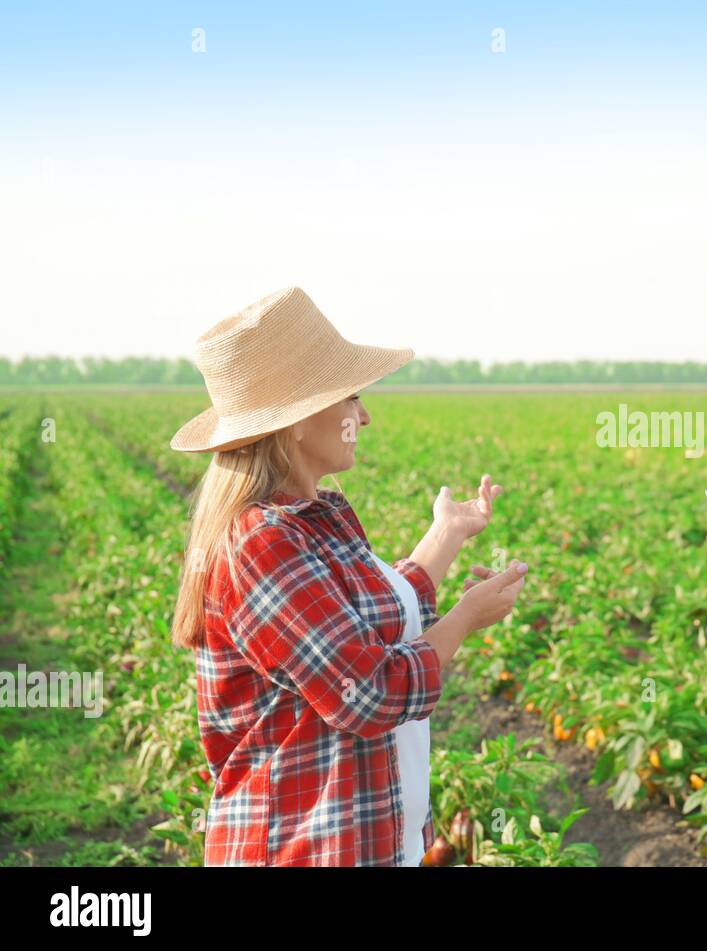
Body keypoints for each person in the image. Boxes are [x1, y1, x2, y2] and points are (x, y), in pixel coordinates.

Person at [168, 285, 528, 866]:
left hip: (363, 841)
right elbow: (368, 690)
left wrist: (448, 536)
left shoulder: (313, 519)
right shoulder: (261, 541)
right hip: (302, 850)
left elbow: (363, 625)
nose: (363, 415)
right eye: (351, 397)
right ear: (298, 422)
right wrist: (465, 619)